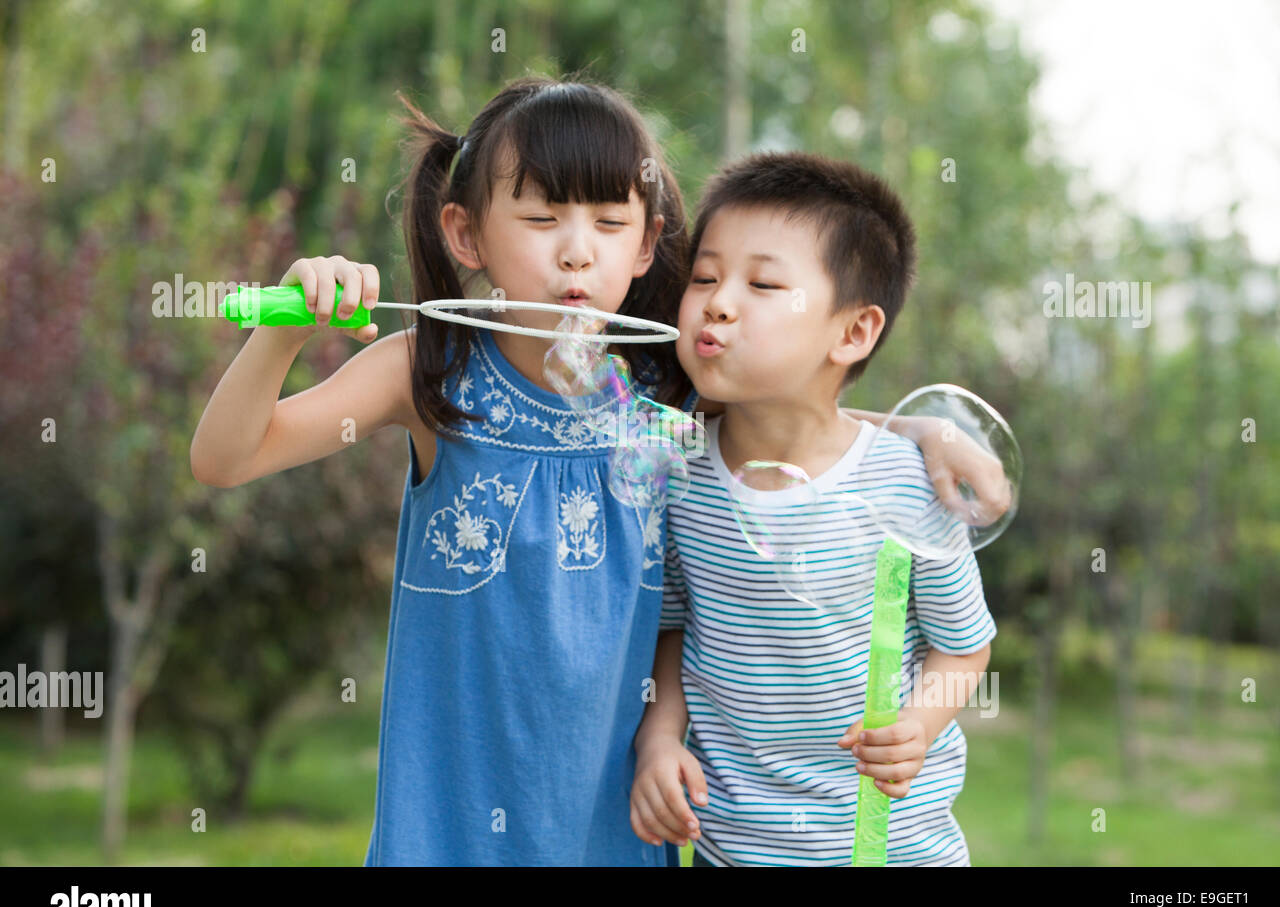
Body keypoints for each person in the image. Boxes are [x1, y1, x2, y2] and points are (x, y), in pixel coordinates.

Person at [191, 76, 1000, 865]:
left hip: (615, 834)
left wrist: (919, 428)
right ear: (465, 234)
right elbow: (226, 457)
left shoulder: (663, 398)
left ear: (648, 245)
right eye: (541, 217)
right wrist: (284, 331)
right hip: (449, 834)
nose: (577, 251)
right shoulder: (428, 376)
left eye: (611, 222)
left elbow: (796, 416)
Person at [631, 151, 1000, 866]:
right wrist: (657, 739)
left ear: (853, 332)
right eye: (704, 276)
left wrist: (918, 728)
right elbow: (671, 633)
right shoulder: (675, 474)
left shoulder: (906, 482)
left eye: (763, 283)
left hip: (891, 850)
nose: (719, 300)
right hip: (732, 851)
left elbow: (965, 644)